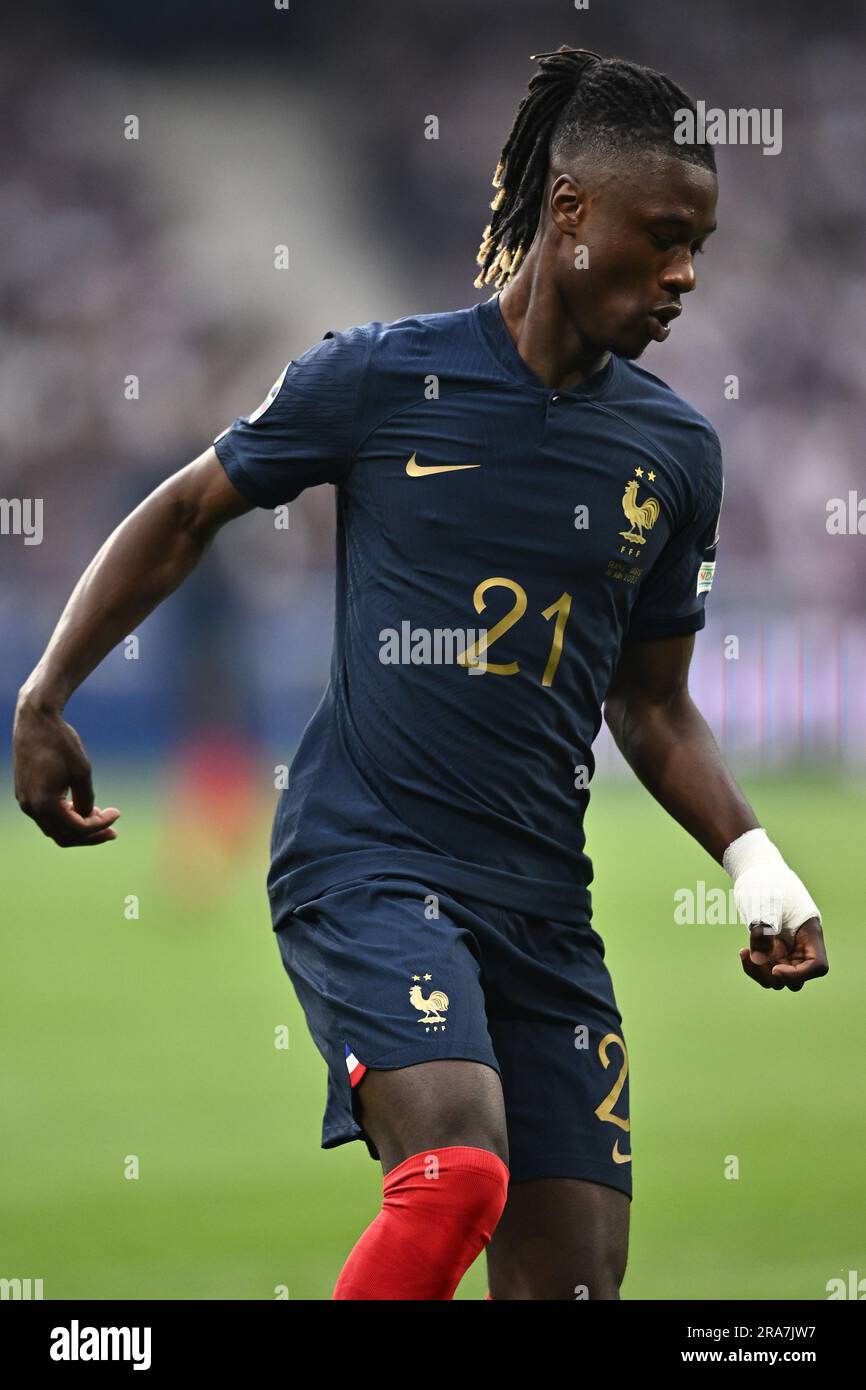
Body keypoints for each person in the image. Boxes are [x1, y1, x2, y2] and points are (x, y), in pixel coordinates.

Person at [13, 47, 828, 1301]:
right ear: (568, 213)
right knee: (453, 1172)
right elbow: (184, 511)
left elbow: (651, 703)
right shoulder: (383, 376)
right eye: (661, 237)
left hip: (543, 905)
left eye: (698, 247)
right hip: (371, 859)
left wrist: (752, 859)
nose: (683, 277)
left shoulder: (675, 453)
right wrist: (46, 693)